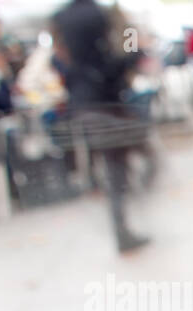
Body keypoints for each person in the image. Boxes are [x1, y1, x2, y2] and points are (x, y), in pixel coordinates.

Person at [51, 0, 149, 253]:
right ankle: (123, 229)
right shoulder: (101, 15)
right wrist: (136, 54)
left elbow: (60, 60)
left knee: (113, 164)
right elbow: (114, 62)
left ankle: (123, 224)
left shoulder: (61, 18)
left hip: (81, 105)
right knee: (120, 167)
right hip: (106, 104)